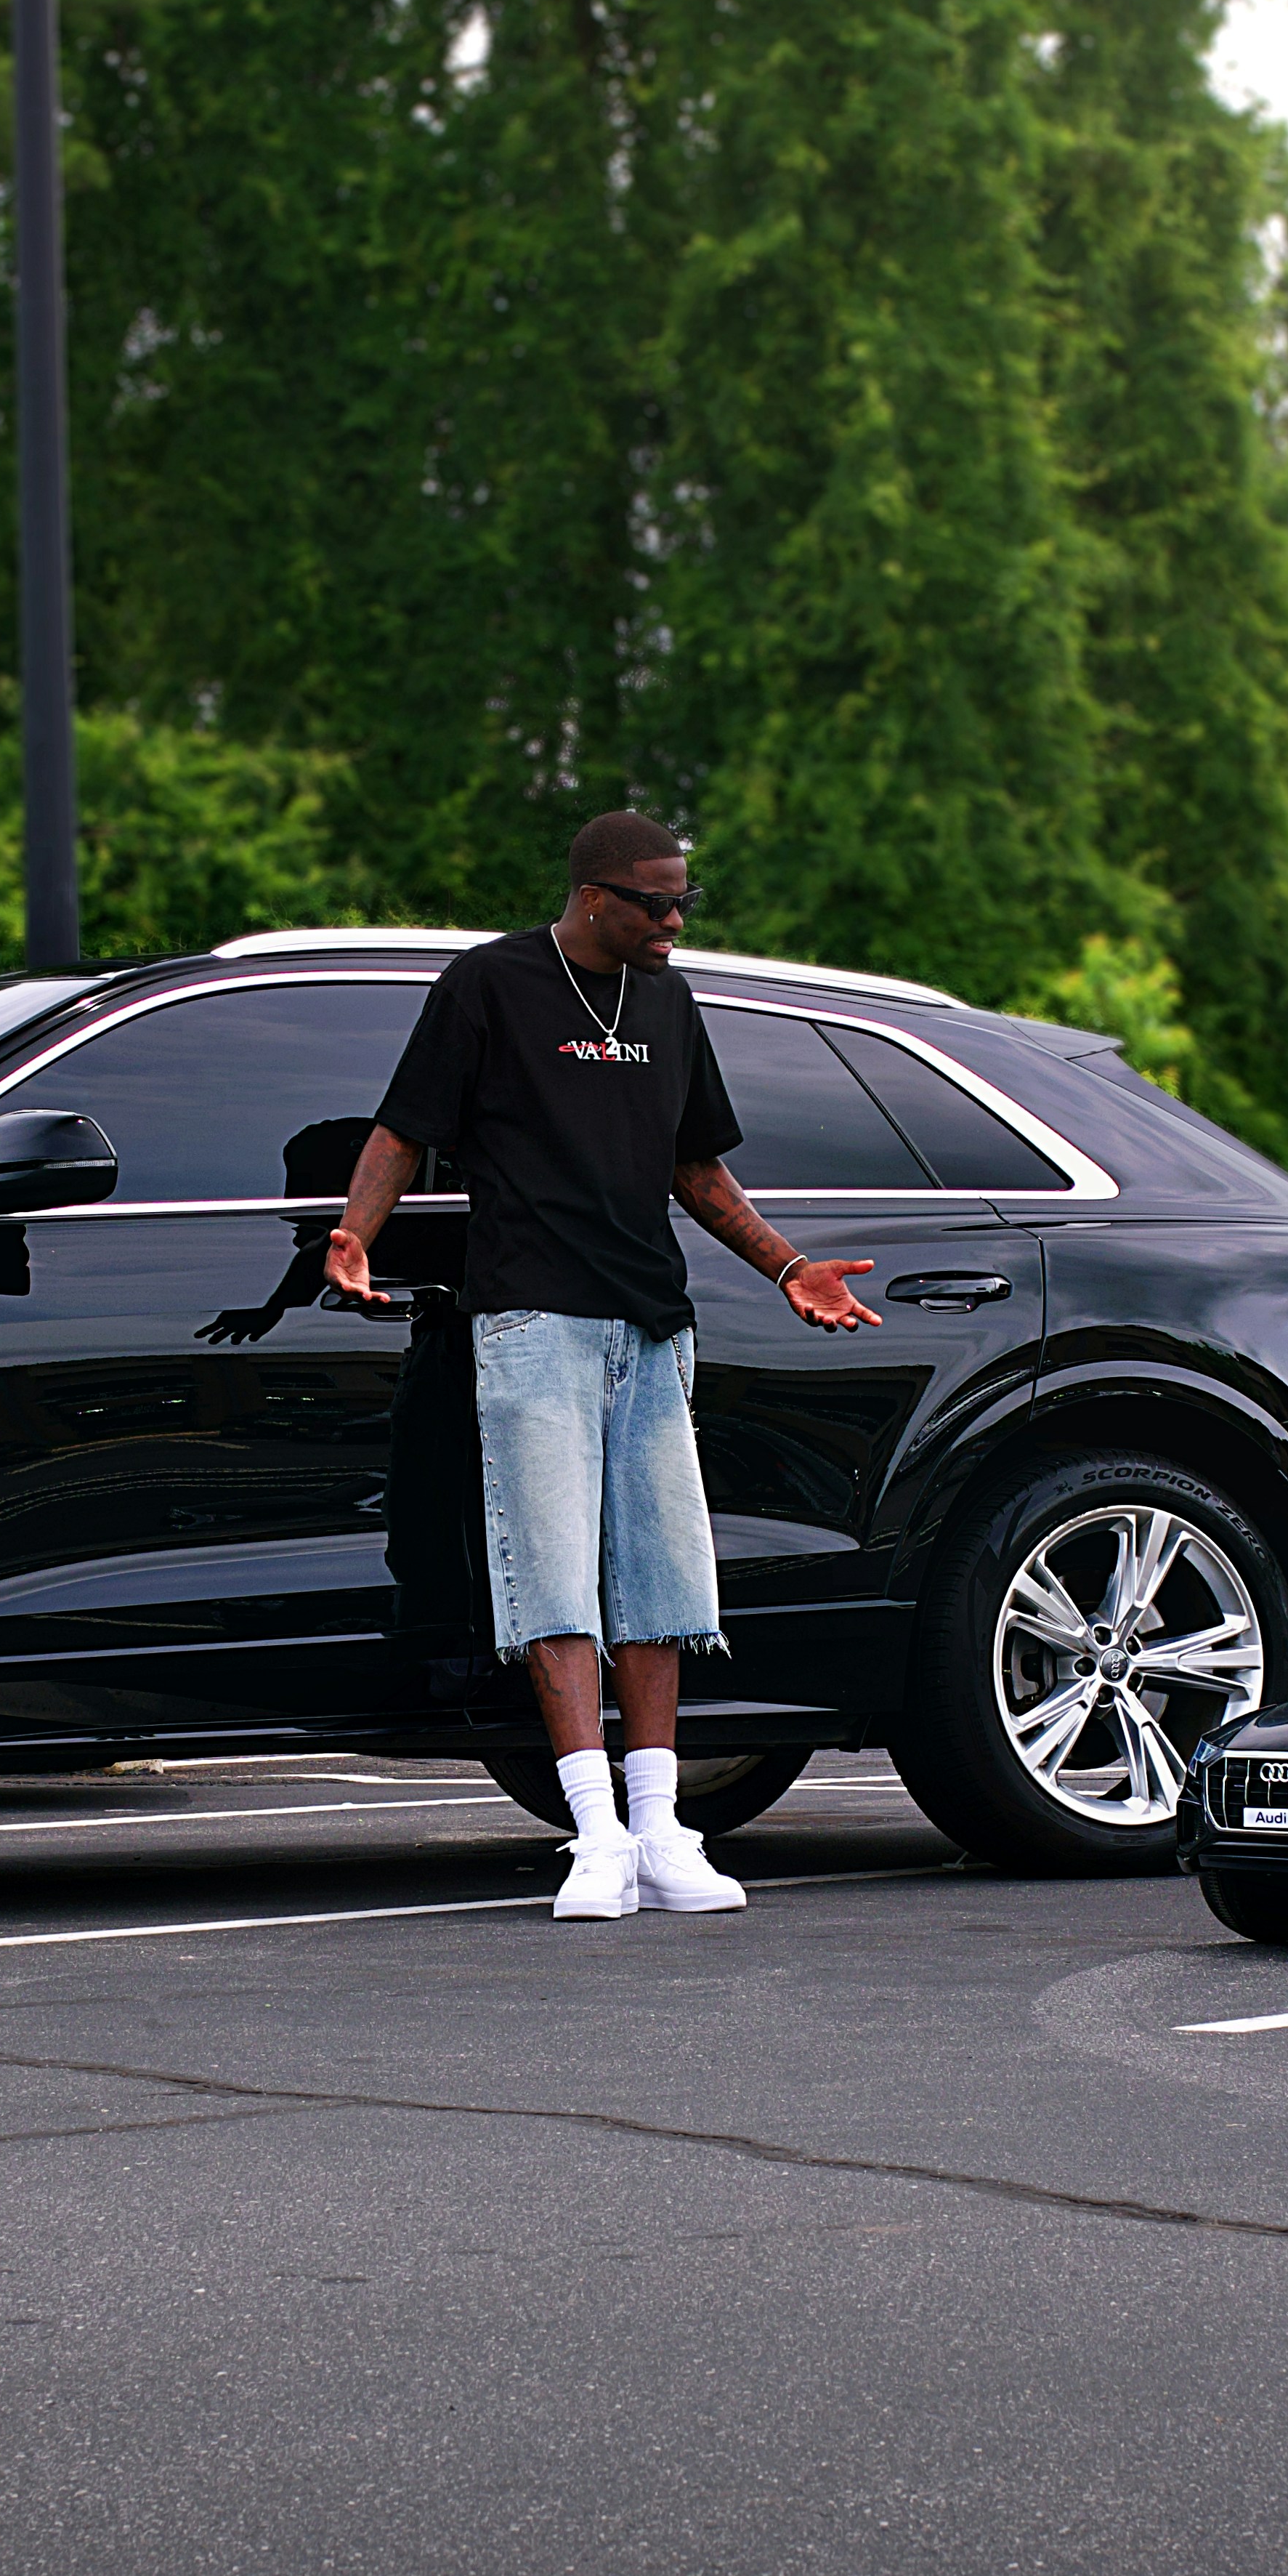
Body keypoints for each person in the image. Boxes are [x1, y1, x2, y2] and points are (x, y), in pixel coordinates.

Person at [325, 813, 882, 1921]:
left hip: (650, 1326)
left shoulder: (668, 1005)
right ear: (593, 897)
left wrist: (786, 1268)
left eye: (686, 903)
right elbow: (402, 1129)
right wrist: (356, 1232)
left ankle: (664, 1830)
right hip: (533, 1319)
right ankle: (593, 1838)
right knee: (553, 1575)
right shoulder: (490, 987)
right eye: (655, 904)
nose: (675, 923)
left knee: (662, 1585)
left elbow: (696, 1168)